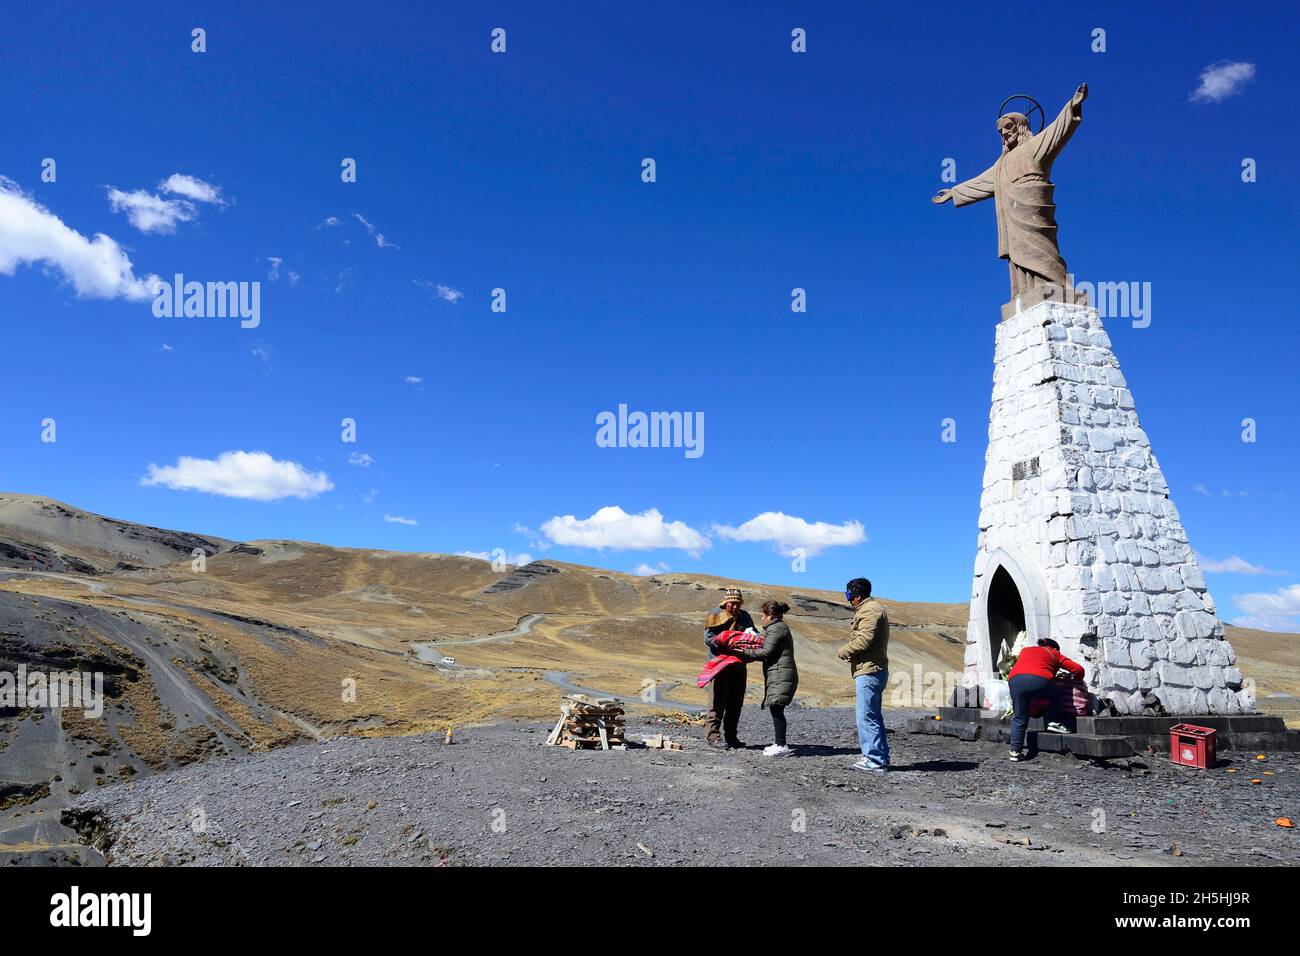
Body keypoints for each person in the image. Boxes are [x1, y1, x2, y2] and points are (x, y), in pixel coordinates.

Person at [837, 577, 890, 772]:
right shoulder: (871, 609)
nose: (848, 599)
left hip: (869, 670)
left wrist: (845, 650)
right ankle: (879, 757)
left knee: (866, 716)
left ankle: (874, 760)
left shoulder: (870, 611)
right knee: (872, 715)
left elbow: (865, 639)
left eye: (849, 595)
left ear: (856, 595)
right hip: (870, 668)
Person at [734, 600, 799, 756]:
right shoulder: (777, 627)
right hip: (779, 673)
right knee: (776, 708)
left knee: (776, 708)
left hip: (780, 673)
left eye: (763, 615)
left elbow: (766, 652)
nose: (762, 619)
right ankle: (778, 743)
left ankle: (781, 746)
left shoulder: (776, 628)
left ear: (770, 615)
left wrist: (743, 652)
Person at [1007, 637, 1085, 762]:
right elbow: (1078, 669)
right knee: (1057, 691)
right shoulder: (1054, 652)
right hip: (1039, 680)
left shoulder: (1025, 650)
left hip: (1015, 681)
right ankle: (1055, 722)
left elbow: (1030, 666)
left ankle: (1015, 752)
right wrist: (1076, 680)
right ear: (1054, 648)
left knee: (1019, 717)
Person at [703, 587, 756, 749]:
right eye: (732, 604)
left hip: (739, 665)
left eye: (738, 604)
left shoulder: (745, 616)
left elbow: (754, 632)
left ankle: (731, 736)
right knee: (717, 702)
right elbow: (709, 638)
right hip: (720, 665)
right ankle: (713, 736)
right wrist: (728, 640)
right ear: (725, 603)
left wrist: (752, 636)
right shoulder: (715, 614)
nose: (735, 607)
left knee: (735, 702)